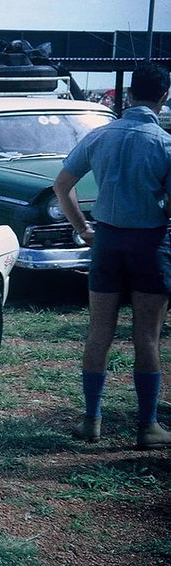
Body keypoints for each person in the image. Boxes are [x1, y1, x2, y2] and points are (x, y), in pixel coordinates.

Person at [52, 61, 171, 450]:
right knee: (147, 336)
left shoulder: (100, 136)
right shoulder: (164, 143)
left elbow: (62, 184)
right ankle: (148, 426)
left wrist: (83, 228)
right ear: (164, 96)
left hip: (106, 242)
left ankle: (91, 420)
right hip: (150, 244)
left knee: (99, 330)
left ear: (130, 94)